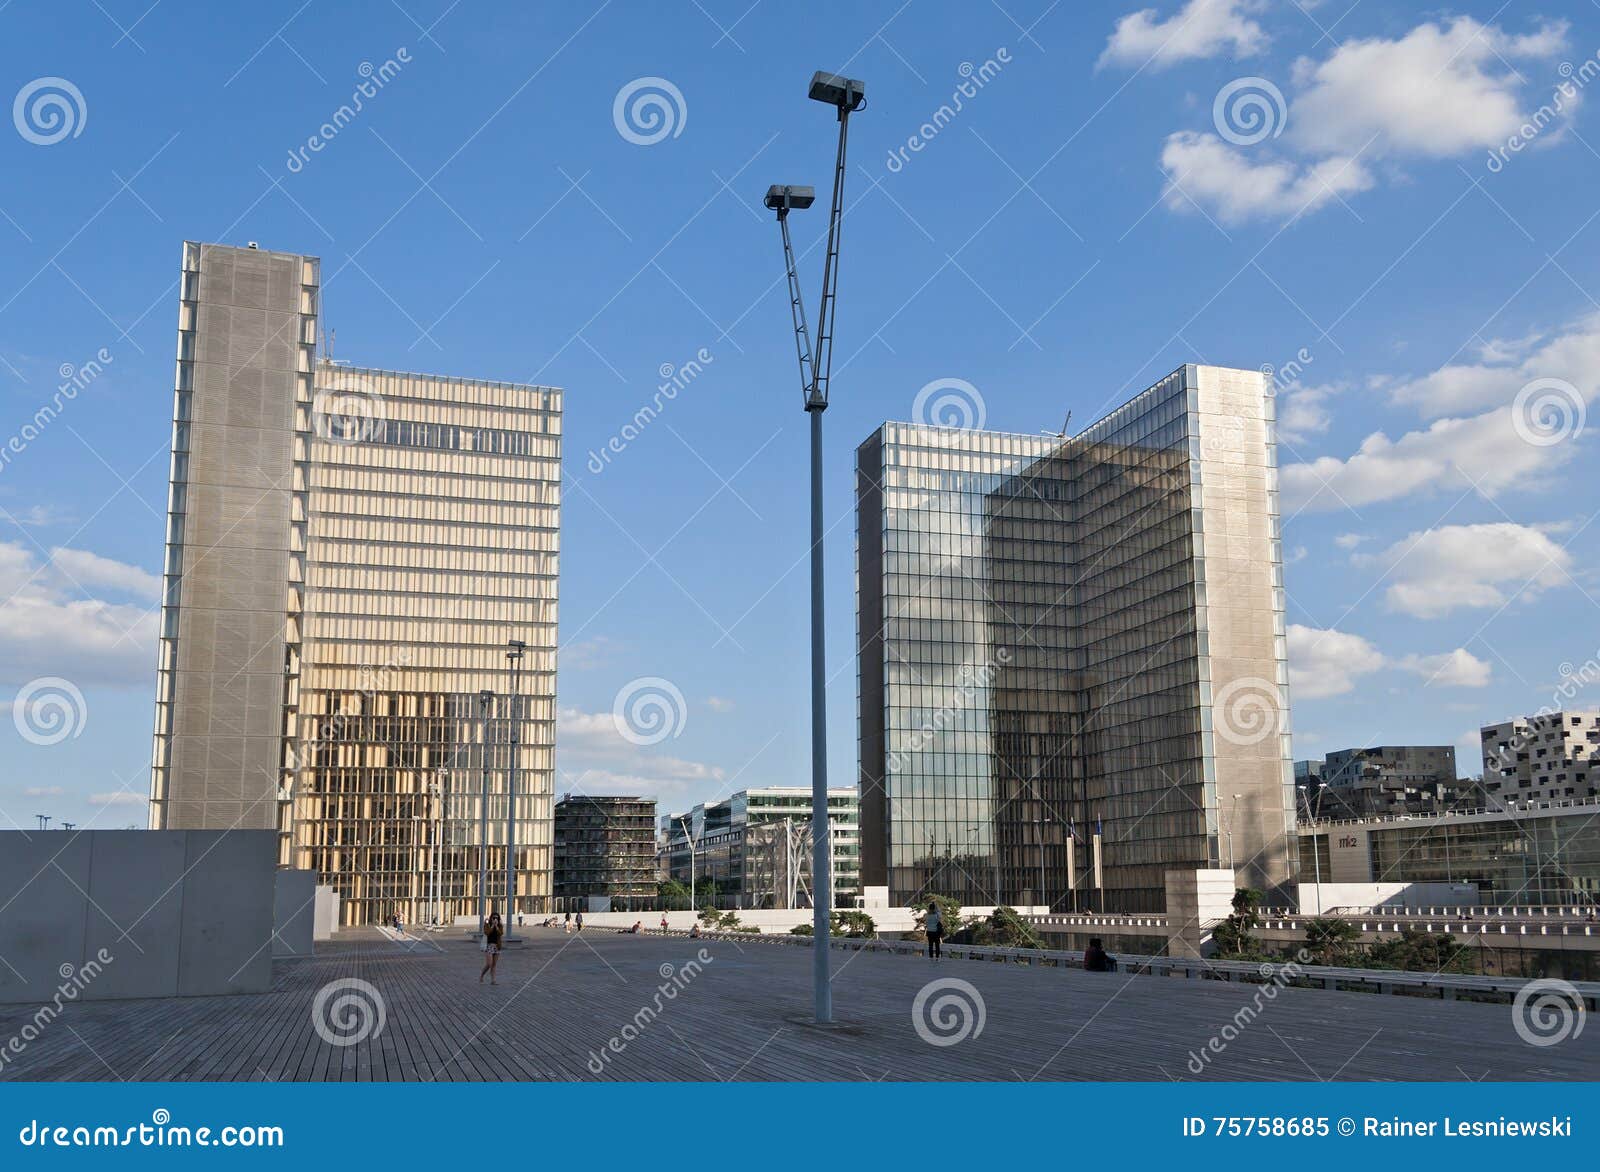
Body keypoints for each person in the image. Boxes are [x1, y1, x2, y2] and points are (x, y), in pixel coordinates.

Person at [480, 912, 504, 985]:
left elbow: (501, 933)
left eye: (497, 918)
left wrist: (496, 926)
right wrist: (492, 926)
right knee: (489, 964)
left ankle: (493, 980)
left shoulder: (500, 925)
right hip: (489, 946)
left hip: (497, 946)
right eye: (494, 918)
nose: (495, 919)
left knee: (494, 964)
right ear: (491, 918)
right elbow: (487, 933)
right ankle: (482, 975)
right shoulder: (487, 925)